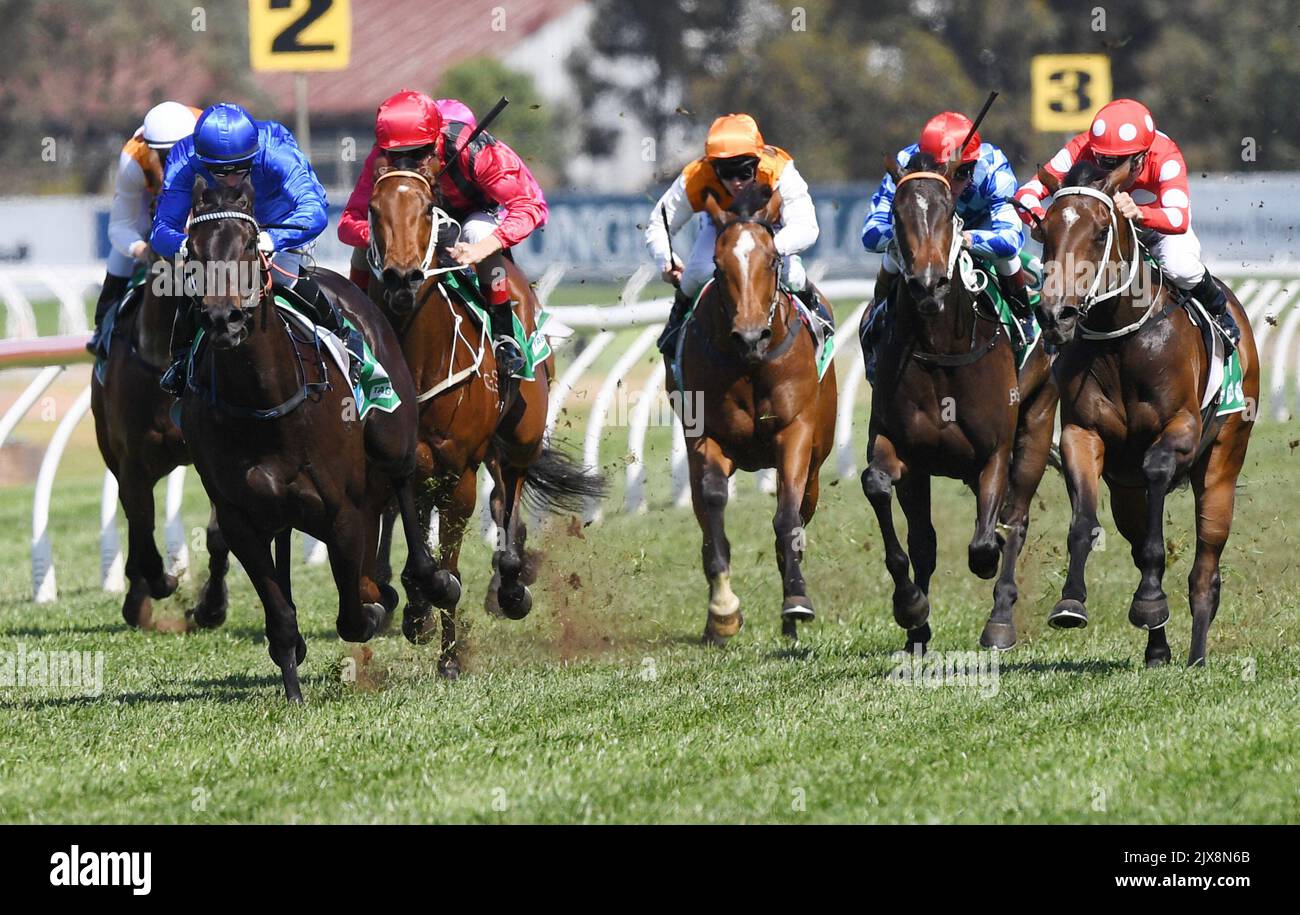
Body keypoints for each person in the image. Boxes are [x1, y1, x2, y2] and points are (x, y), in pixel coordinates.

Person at [151, 102, 361, 394]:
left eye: (240, 169)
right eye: (220, 173)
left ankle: (344, 337)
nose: (232, 180)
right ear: (202, 159)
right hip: (221, 235)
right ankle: (181, 360)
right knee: (189, 282)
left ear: (254, 154)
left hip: (278, 223)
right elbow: (161, 230)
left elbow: (314, 210)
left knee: (286, 276)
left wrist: (273, 239)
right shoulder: (184, 157)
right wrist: (186, 246)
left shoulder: (275, 149)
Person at [337, 89, 548, 378]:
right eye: (397, 155)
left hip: (471, 215)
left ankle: (504, 336)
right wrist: (387, 234)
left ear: (436, 138)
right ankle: (351, 331)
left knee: (475, 231)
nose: (407, 163)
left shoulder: (473, 149)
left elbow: (531, 204)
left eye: (419, 154)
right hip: (412, 220)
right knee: (364, 246)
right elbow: (350, 220)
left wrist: (487, 245)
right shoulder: (380, 157)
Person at [1014, 97, 1238, 346]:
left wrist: (1141, 213)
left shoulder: (1166, 155)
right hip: (1103, 232)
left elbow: (1178, 218)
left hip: (1156, 228)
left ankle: (1218, 310)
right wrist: (1037, 219)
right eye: (1105, 162)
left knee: (1179, 266)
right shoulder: (1081, 146)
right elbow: (1027, 192)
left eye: (1121, 163)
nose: (1112, 172)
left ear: (1143, 156)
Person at [644, 113, 822, 355]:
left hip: (770, 231)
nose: (736, 182)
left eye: (745, 172)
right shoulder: (696, 176)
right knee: (697, 272)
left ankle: (815, 313)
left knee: (793, 275)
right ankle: (678, 316)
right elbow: (659, 222)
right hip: (722, 228)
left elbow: (807, 227)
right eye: (726, 173)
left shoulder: (780, 170)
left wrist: (767, 250)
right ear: (712, 167)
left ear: (758, 163)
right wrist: (666, 259)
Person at [862, 110, 1030, 323]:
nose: (950, 184)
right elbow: (870, 235)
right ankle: (877, 319)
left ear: (974, 164)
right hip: (921, 235)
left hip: (979, 227)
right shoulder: (905, 164)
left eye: (962, 172)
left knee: (1007, 258)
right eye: (939, 172)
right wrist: (913, 233)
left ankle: (1023, 321)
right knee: (894, 252)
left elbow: (1010, 240)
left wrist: (960, 237)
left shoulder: (993, 165)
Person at [87, 101, 201, 357]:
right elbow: (120, 227)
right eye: (164, 155)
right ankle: (105, 323)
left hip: (200, 198)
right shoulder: (133, 159)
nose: (173, 162)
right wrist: (143, 250)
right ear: (147, 148)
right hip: (151, 199)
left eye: (182, 151)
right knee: (133, 239)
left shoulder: (212, 141)